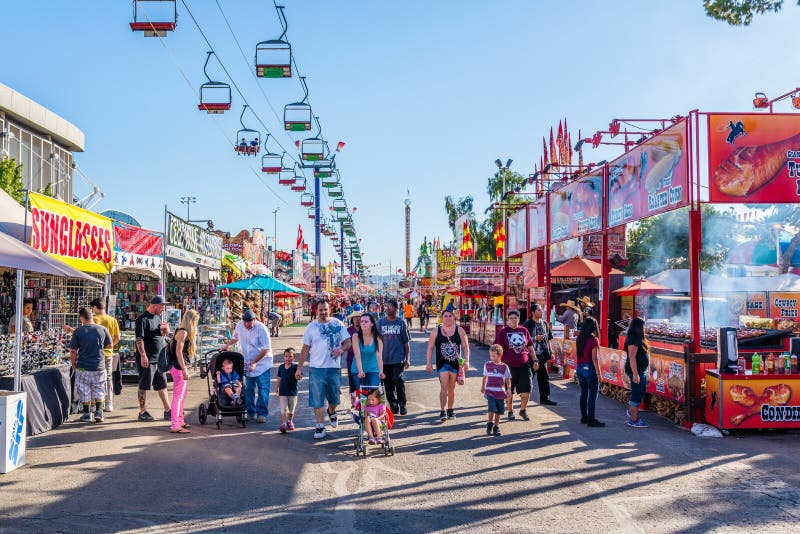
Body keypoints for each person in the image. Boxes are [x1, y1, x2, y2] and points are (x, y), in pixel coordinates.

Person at [296, 300, 352, 439]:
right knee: (317, 399)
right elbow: (305, 349)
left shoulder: (337, 324)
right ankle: (320, 426)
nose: (323, 312)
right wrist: (299, 368)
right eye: (320, 310)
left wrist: (341, 349)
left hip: (333, 368)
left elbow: (348, 342)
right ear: (316, 311)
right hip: (316, 369)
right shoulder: (311, 327)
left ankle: (331, 411)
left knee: (334, 399)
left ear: (330, 310)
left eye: (325, 309)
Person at [221, 308, 272, 423]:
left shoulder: (261, 329)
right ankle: (250, 411)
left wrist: (255, 362)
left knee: (263, 388)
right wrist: (227, 345)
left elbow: (266, 349)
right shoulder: (240, 325)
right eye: (245, 322)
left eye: (249, 322)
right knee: (248, 388)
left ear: (254, 320)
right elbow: (235, 338)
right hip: (248, 362)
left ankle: (262, 413)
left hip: (262, 363)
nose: (247, 324)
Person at [69, 307, 112, 423]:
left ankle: (87, 414)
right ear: (92, 316)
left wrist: (73, 364)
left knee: (84, 389)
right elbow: (110, 345)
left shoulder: (78, 331)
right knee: (99, 388)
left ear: (82, 318)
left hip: (83, 366)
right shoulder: (102, 329)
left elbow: (73, 351)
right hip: (99, 366)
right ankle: (98, 411)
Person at [426, 309, 470, 421]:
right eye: (445, 316)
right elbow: (430, 347)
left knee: (452, 388)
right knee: (444, 387)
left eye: (450, 316)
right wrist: (428, 363)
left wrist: (467, 360)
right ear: (442, 317)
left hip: (455, 364)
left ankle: (450, 409)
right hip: (442, 364)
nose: (448, 318)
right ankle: (442, 410)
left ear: (454, 317)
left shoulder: (459, 330)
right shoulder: (436, 331)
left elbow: (465, 346)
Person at [494, 310, 538, 421]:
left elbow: (530, 347)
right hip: (508, 366)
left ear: (519, 319)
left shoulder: (524, 330)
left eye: (516, 318)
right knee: (509, 390)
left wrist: (535, 360)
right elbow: (498, 349)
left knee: (527, 389)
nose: (514, 320)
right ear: (508, 320)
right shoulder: (503, 332)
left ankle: (523, 410)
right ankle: (510, 411)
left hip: (524, 364)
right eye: (511, 318)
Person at [134, 296, 171, 422]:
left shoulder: (157, 317)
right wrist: (143, 356)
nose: (163, 309)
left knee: (162, 384)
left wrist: (165, 331)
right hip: (147, 359)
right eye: (162, 306)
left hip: (158, 359)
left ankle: (167, 410)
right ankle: (142, 411)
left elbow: (159, 335)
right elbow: (139, 339)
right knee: (144, 385)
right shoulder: (142, 319)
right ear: (155, 305)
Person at [168, 309, 198, 433]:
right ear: (192, 321)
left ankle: (180, 420)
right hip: (179, 368)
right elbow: (178, 351)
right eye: (196, 321)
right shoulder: (183, 332)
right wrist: (184, 369)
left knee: (182, 395)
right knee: (178, 396)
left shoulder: (181, 331)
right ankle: (175, 425)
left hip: (178, 367)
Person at [378, 299, 411, 415]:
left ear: (396, 309)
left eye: (390, 307)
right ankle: (393, 403)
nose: (387, 309)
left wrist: (408, 359)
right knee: (387, 383)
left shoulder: (401, 322)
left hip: (398, 358)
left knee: (397, 379)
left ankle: (402, 403)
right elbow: (377, 342)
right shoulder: (380, 323)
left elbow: (406, 343)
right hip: (384, 359)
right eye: (386, 307)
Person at [522, 303, 557, 407]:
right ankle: (524, 399)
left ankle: (545, 398)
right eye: (539, 310)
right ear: (533, 312)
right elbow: (523, 341)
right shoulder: (527, 324)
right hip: (531, 357)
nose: (541, 312)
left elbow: (549, 339)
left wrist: (551, 352)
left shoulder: (545, 323)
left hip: (543, 356)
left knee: (544, 378)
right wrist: (535, 339)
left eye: (541, 310)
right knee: (528, 379)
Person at [575, 316, 605, 427]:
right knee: (592, 395)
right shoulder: (593, 339)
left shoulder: (579, 338)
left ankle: (584, 417)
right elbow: (594, 358)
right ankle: (591, 419)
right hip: (589, 368)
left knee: (584, 393)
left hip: (580, 368)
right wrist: (599, 373)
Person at [625, 317, 650, 428]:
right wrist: (635, 373)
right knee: (636, 393)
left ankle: (632, 412)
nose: (645, 328)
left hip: (641, 370)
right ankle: (633, 420)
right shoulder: (633, 338)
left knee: (640, 392)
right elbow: (632, 357)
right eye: (643, 326)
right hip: (636, 371)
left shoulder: (639, 338)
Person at [481, 344, 511, 437]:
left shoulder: (504, 367)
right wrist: (483, 386)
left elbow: (507, 379)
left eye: (494, 356)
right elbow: (484, 376)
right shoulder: (487, 365)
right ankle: (489, 423)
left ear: (499, 355)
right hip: (489, 390)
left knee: (498, 410)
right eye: (490, 355)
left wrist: (508, 389)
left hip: (500, 392)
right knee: (492, 407)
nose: (491, 357)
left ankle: (496, 426)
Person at [352, 313, 385, 389]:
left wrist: (381, 372)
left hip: (373, 369)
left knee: (373, 394)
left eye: (366, 322)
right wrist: (360, 371)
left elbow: (379, 356)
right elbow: (357, 355)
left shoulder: (378, 338)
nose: (363, 323)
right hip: (357, 369)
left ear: (372, 324)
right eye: (361, 321)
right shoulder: (356, 336)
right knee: (362, 397)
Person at [276, 348, 299, 433]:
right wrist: (277, 388)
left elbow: (299, 376)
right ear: (284, 357)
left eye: (290, 356)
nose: (287, 358)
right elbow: (279, 378)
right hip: (283, 392)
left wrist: (298, 376)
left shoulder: (295, 367)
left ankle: (290, 421)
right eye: (286, 356)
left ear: (294, 357)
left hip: (293, 392)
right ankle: (283, 424)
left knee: (291, 410)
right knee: (283, 409)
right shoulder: (281, 367)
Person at [345, 311, 363, 407]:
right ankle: (353, 402)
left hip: (364, 360)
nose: (357, 320)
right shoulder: (348, 330)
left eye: (359, 318)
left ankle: (362, 400)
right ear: (352, 320)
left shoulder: (365, 330)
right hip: (351, 360)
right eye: (355, 318)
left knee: (362, 381)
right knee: (352, 382)